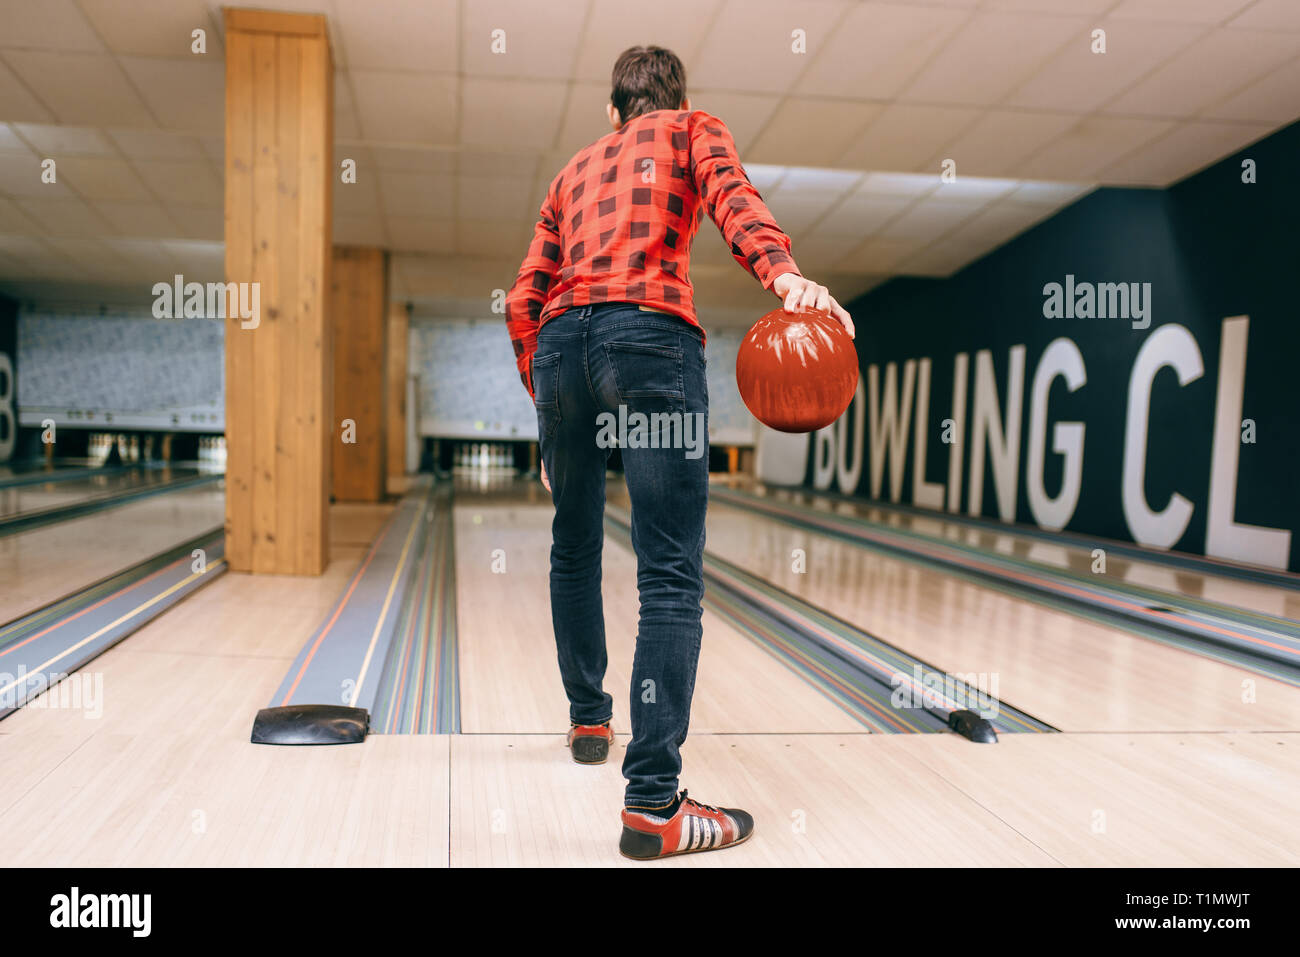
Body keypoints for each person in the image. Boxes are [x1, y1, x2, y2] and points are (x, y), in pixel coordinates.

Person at [504, 45, 853, 860]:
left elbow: (525, 295)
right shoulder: (695, 128)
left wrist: (549, 413)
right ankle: (653, 801)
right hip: (648, 342)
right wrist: (784, 275)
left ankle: (589, 718)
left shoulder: (570, 171)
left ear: (611, 108)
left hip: (561, 351)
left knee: (573, 544)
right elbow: (734, 200)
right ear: (674, 100)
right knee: (668, 568)